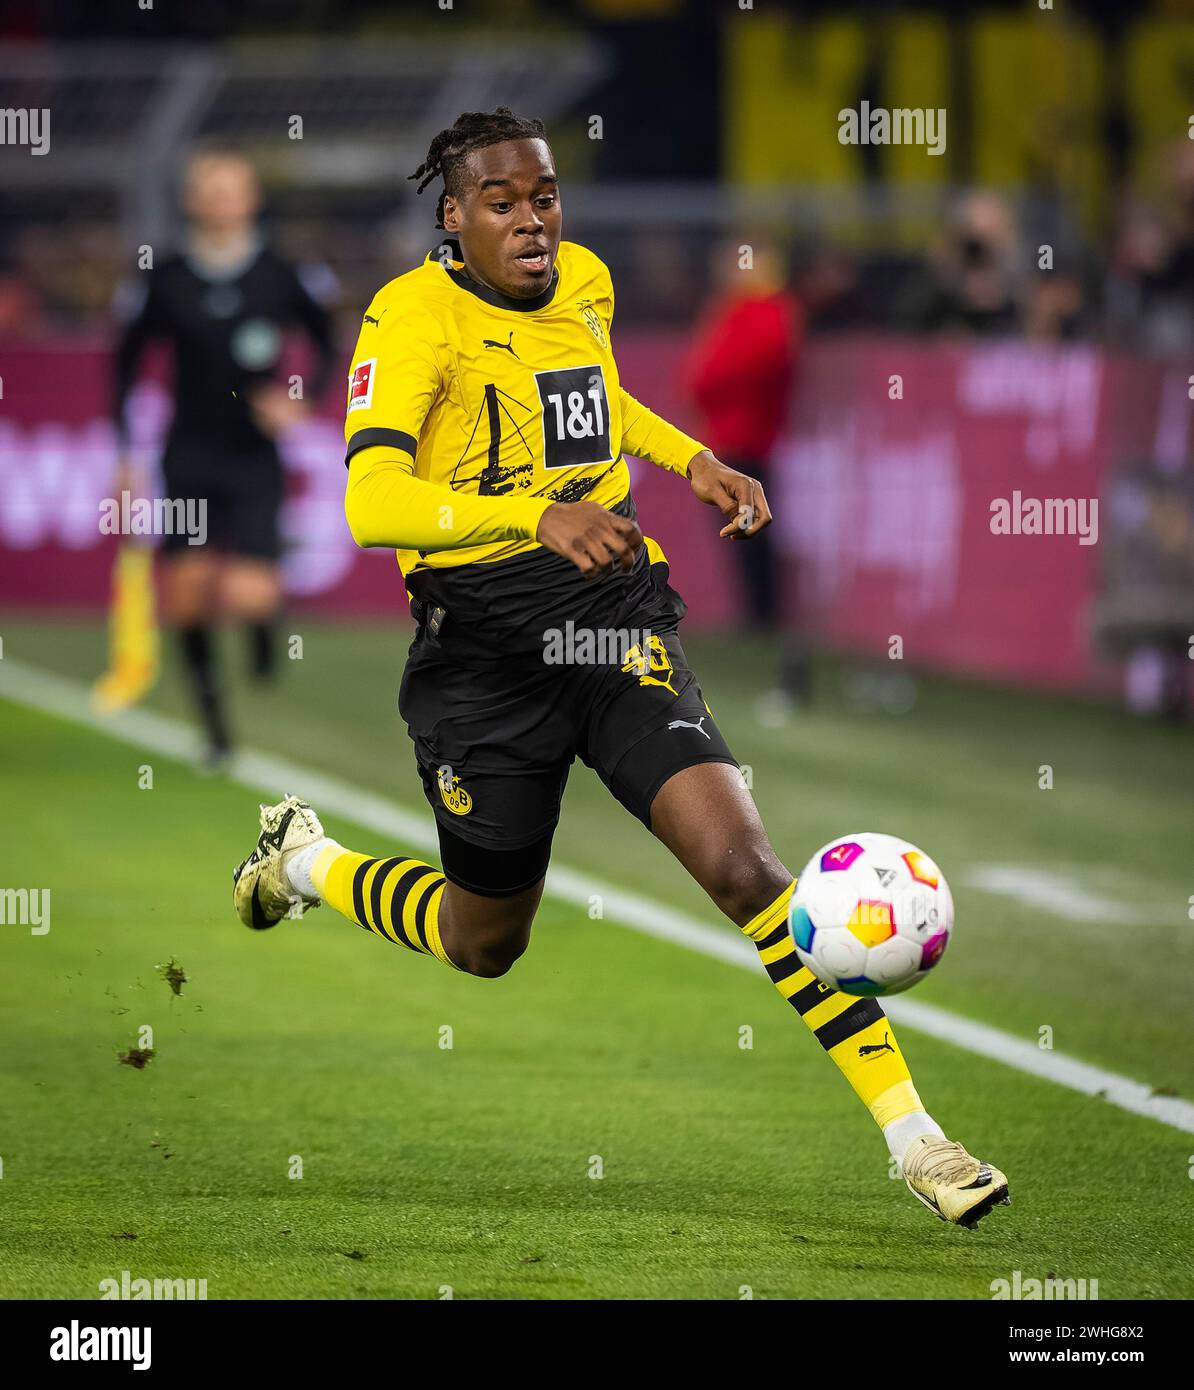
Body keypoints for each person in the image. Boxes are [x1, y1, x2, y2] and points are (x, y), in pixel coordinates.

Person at [231, 107, 1009, 1226]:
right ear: (454, 218)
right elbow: (371, 499)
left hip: (612, 628)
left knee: (749, 874)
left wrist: (690, 458)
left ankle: (920, 1141)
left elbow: (597, 400)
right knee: (482, 939)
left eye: (544, 195)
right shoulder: (410, 320)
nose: (531, 219)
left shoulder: (584, 284)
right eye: (501, 202)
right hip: (485, 662)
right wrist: (531, 517)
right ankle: (305, 863)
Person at [112, 143, 336, 767]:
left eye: (232, 189)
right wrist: (126, 453)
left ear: (250, 200)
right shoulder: (167, 276)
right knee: (187, 596)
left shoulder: (281, 273)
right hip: (188, 454)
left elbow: (328, 341)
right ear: (192, 201)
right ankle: (214, 731)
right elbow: (126, 365)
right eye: (209, 190)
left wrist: (301, 399)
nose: (221, 201)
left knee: (249, 596)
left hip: (253, 457)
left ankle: (267, 635)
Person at [685, 236, 810, 714]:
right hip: (730, 446)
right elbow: (702, 375)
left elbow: (723, 372)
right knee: (743, 545)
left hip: (754, 448)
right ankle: (761, 632)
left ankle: (774, 640)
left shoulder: (768, 313)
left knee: (761, 545)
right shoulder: (736, 311)